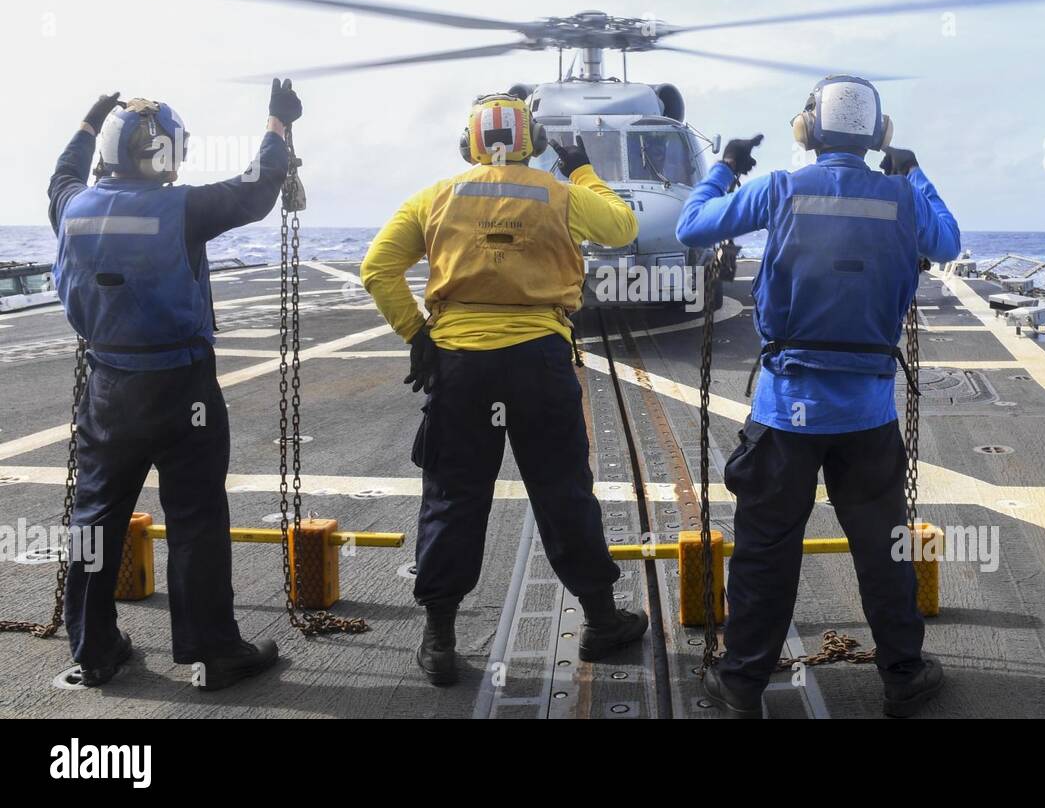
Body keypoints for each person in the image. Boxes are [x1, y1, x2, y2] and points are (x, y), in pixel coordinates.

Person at [675, 75, 961, 718]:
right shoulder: (900, 198)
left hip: (786, 412)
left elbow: (693, 228)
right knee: (885, 551)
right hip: (867, 416)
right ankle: (903, 677)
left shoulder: (780, 188)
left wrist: (724, 167)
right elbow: (948, 243)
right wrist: (913, 175)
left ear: (807, 129)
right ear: (880, 137)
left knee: (766, 553)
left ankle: (743, 683)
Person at [360, 93, 649, 686]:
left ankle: (439, 640)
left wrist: (418, 333)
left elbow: (377, 269)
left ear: (468, 144)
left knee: (453, 497)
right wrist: (583, 169)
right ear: (533, 141)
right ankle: (600, 620)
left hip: (460, 368)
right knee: (564, 492)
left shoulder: (435, 197)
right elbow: (623, 227)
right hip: (538, 366)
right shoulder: (559, 195)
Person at [49, 79, 305, 690]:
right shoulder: (183, 208)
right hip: (181, 385)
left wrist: (87, 126)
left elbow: (61, 174)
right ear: (166, 153)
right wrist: (278, 123)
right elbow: (255, 189)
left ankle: (94, 650)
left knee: (93, 518)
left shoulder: (70, 206)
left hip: (109, 387)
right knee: (194, 516)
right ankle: (212, 651)